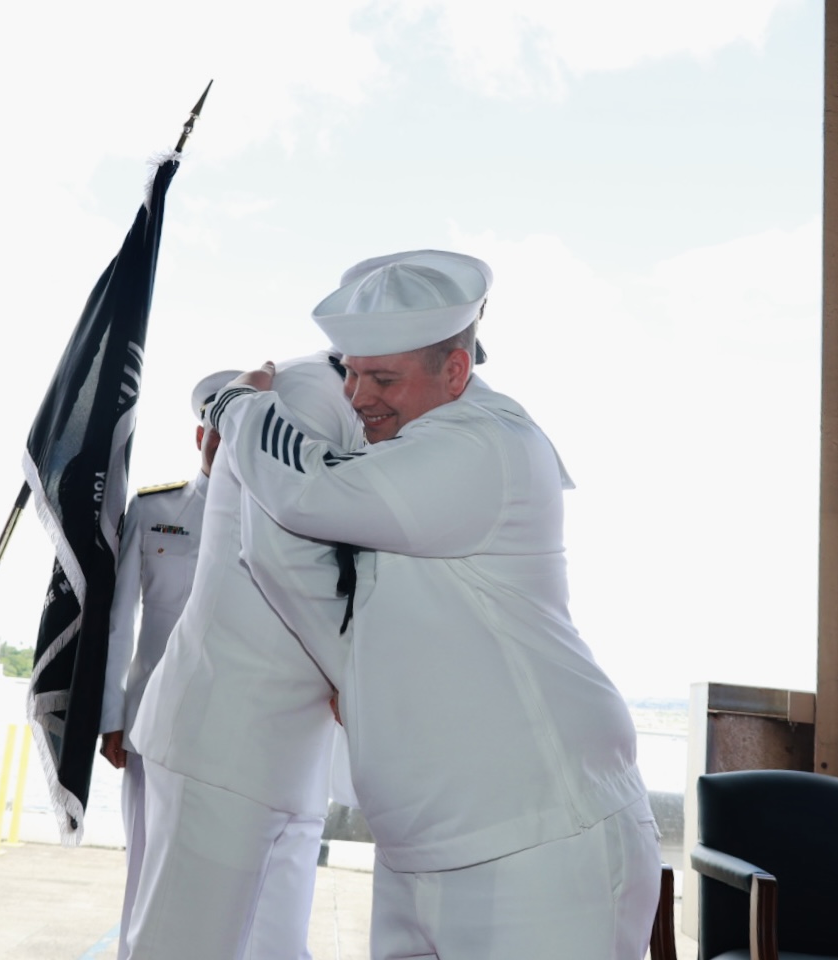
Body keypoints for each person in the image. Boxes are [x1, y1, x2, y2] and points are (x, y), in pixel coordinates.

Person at [208, 250, 663, 960]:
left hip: (538, 848)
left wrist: (234, 404)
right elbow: (284, 553)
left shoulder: (485, 444)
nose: (358, 397)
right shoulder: (404, 453)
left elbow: (305, 492)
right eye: (351, 373)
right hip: (420, 850)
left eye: (383, 377)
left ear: (456, 370)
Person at [124, 351, 364, 960]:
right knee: (182, 946)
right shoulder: (311, 395)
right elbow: (288, 567)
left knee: (274, 948)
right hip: (222, 743)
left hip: (287, 754)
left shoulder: (338, 402)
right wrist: (362, 674)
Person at [100, 369, 238, 960]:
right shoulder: (155, 509)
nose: (225, 446)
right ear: (199, 433)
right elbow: (118, 617)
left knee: (227, 870)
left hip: (236, 720)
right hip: (152, 716)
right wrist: (111, 716)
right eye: (217, 431)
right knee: (147, 860)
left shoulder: (281, 521)